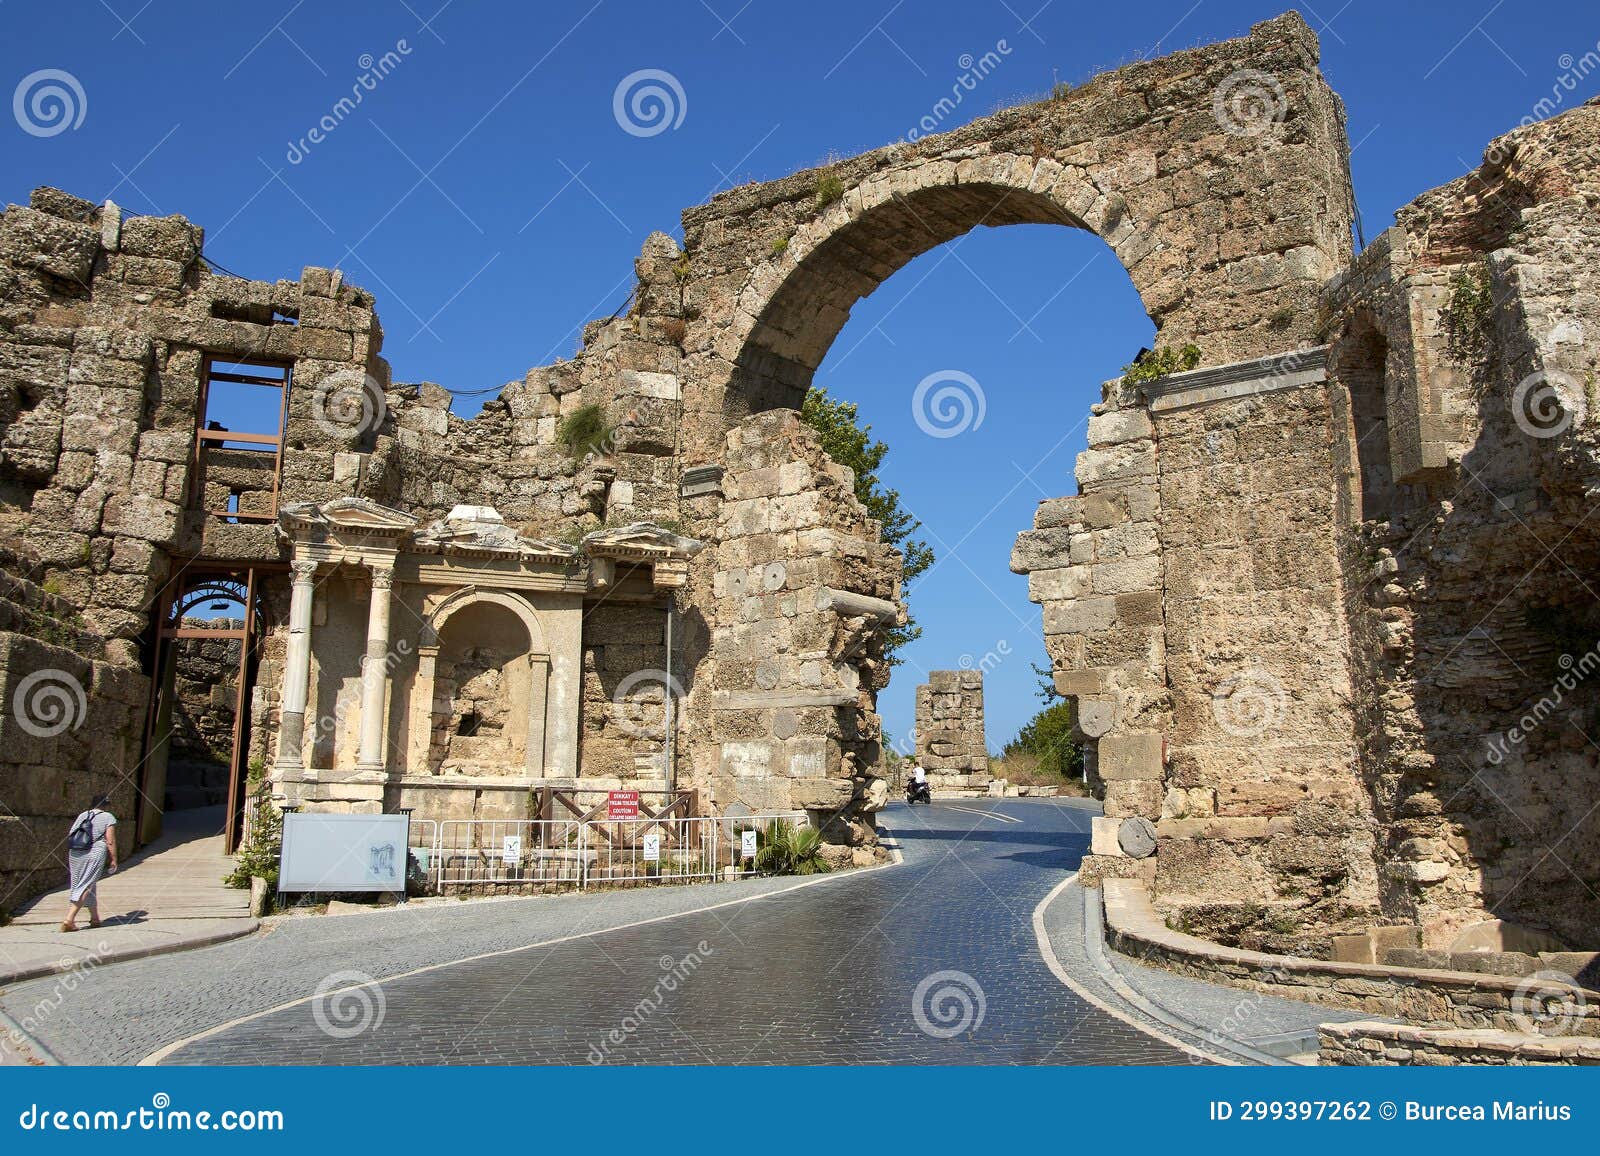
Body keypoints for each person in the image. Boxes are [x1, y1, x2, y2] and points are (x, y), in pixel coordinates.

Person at [62, 794, 117, 933]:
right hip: (95, 851)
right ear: (106, 805)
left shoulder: (83, 815)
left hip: (76, 851)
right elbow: (110, 840)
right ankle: (69, 919)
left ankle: (95, 919)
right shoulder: (108, 817)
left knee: (84, 883)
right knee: (86, 884)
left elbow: (71, 833)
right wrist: (114, 859)